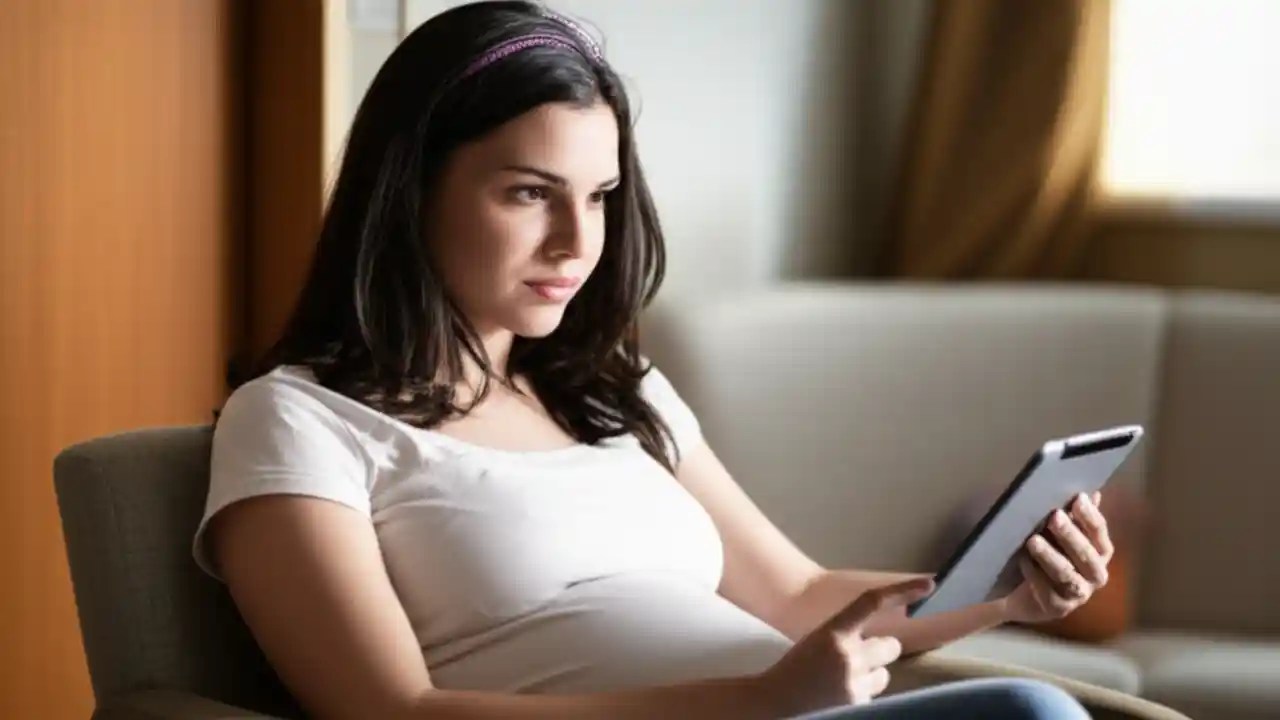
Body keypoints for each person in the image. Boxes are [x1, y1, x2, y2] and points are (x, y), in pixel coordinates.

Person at [194, 3, 1112, 718]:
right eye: (529, 194)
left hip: (797, 715)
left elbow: (798, 596)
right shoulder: (299, 420)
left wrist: (1002, 592)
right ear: (410, 191)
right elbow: (391, 711)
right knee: (1031, 713)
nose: (576, 241)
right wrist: (755, 703)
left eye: (598, 196)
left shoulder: (612, 391)